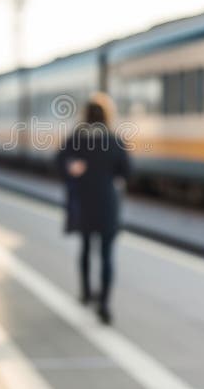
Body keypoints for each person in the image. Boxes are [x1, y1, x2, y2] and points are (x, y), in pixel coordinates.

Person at [57, 93, 130, 324]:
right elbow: (127, 172)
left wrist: (72, 168)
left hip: (84, 202)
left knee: (86, 248)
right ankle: (105, 305)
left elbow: (58, 162)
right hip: (108, 203)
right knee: (107, 255)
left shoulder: (77, 138)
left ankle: (86, 294)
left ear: (85, 115)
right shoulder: (115, 140)